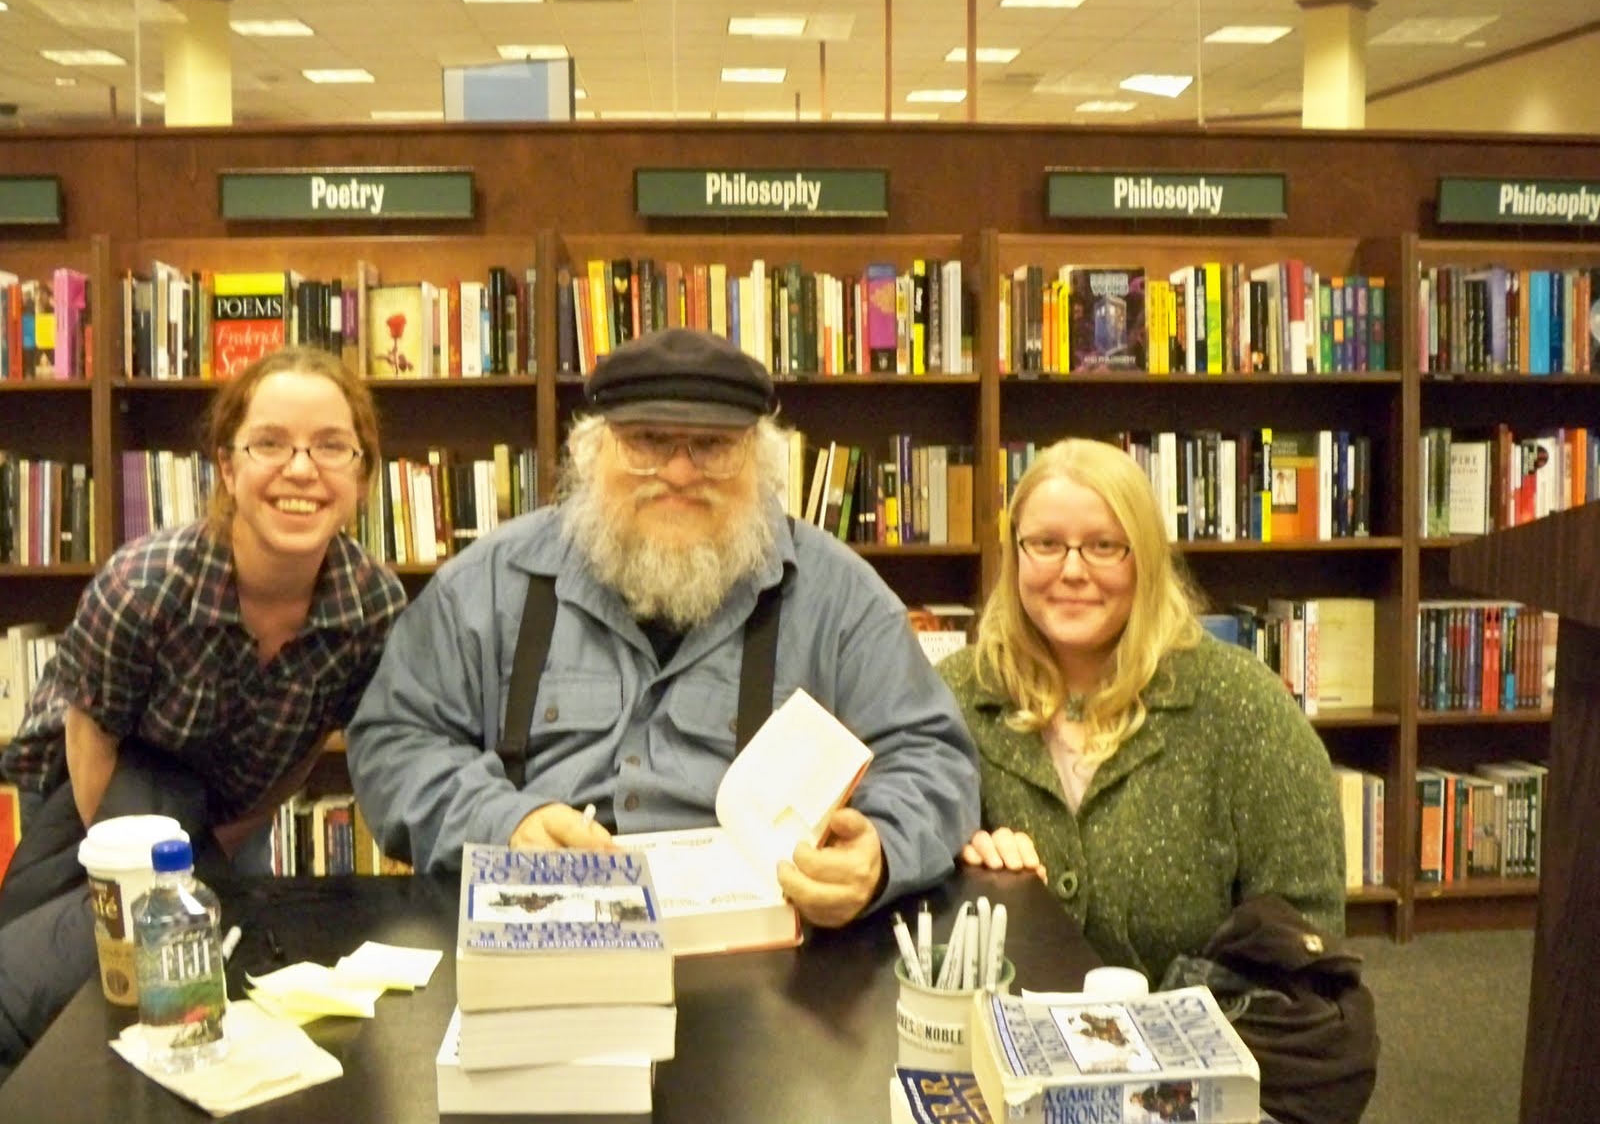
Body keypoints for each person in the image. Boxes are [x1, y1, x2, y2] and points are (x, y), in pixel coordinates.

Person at [346, 328, 979, 927]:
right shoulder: (486, 584)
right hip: (538, 931)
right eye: (648, 441)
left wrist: (881, 853)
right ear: (591, 454)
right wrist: (502, 823)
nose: (679, 472)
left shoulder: (841, 599)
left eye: (713, 446)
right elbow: (397, 740)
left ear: (760, 463)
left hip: (773, 962)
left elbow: (933, 760)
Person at [0, 347, 406, 1067]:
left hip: (229, 804)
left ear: (363, 474)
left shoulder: (374, 608)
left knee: (205, 971)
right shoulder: (144, 585)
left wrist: (223, 837)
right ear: (227, 467)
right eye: (270, 443)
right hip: (94, 788)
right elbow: (89, 735)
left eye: (331, 446)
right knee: (81, 985)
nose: (302, 468)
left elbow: (313, 741)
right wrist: (135, 880)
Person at [939, 438, 1342, 982]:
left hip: (1200, 1052)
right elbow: (897, 882)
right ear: (1015, 554)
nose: (1073, 570)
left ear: (1146, 559)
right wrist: (971, 870)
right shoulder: (951, 695)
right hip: (995, 1046)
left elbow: (1305, 940)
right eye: (1046, 543)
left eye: (1104, 545)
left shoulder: (1245, 707)